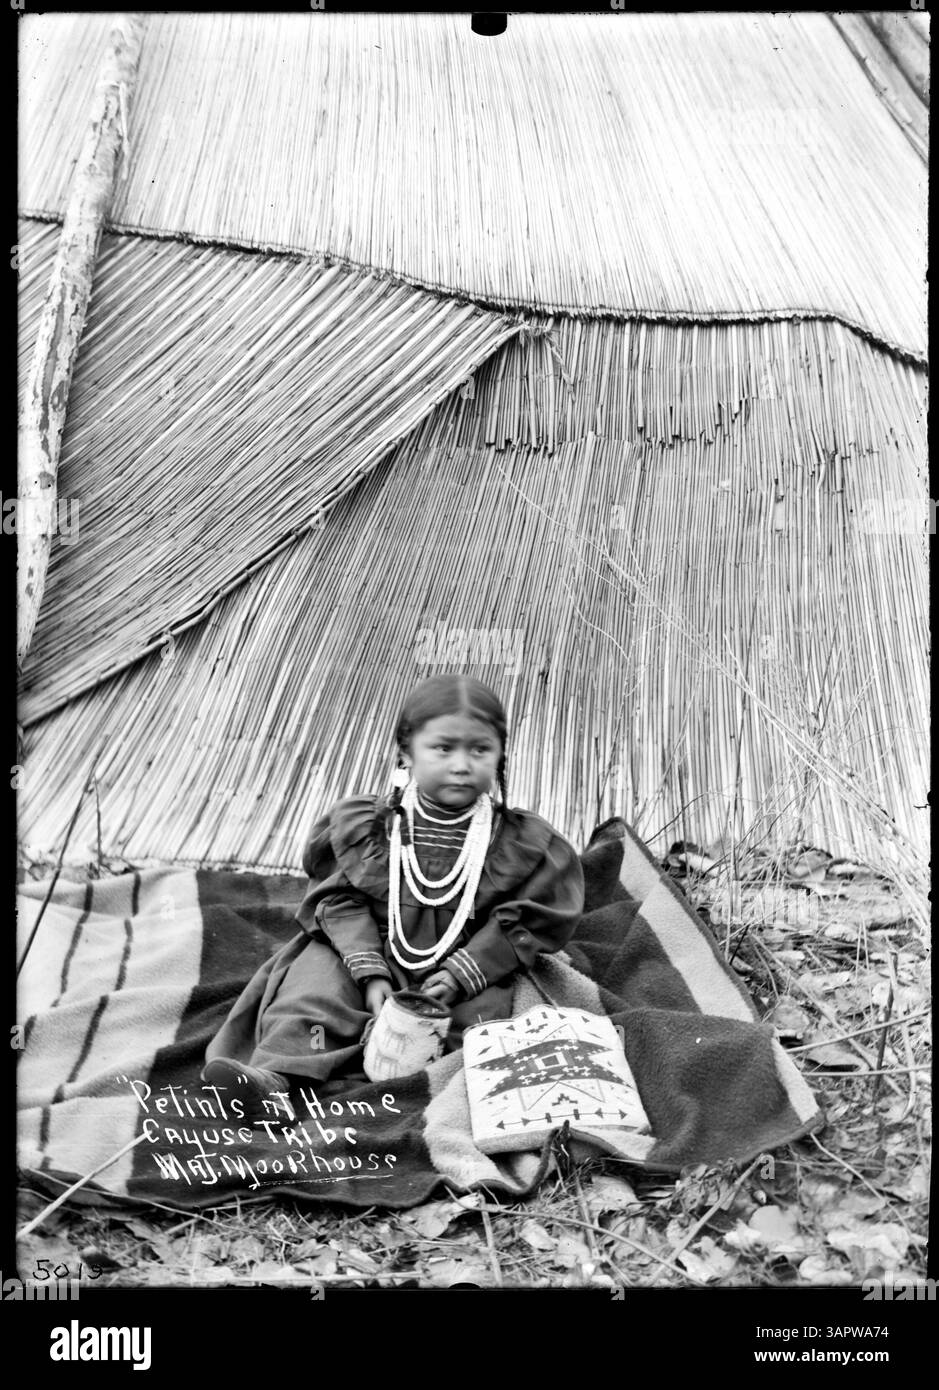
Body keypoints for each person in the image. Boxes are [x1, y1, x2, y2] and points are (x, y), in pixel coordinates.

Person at [203, 674, 585, 1111]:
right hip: (364, 952)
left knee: (483, 1026)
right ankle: (277, 1078)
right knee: (314, 992)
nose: (462, 764)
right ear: (406, 753)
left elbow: (531, 919)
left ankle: (430, 1093)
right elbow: (338, 901)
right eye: (443, 748)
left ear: (500, 757)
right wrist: (370, 972)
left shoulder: (525, 843)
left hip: (468, 963)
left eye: (480, 750)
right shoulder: (366, 826)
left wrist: (465, 972)